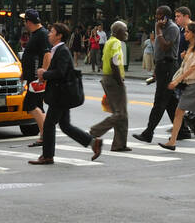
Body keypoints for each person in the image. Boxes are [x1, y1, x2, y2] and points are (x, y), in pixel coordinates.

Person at [31, 23, 96, 163]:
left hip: (60, 95)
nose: (49, 34)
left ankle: (47, 156)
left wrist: (45, 74)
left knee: (49, 124)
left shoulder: (63, 51)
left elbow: (60, 72)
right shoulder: (57, 50)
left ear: (59, 36)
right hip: (60, 94)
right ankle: (93, 143)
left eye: (52, 32)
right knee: (65, 126)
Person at [134, 6, 181, 144]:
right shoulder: (160, 26)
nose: (156, 17)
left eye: (159, 15)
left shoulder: (172, 28)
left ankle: (148, 132)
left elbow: (166, 46)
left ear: (166, 16)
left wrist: (159, 30)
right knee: (171, 102)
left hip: (168, 65)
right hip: (161, 65)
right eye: (156, 14)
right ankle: (183, 130)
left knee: (160, 101)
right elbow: (158, 49)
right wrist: (156, 68)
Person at [87, 20, 132, 156]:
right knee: (120, 113)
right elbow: (114, 62)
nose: (127, 33)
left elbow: (104, 60)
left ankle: (119, 144)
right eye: (125, 31)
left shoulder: (108, 42)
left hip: (107, 78)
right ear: (118, 32)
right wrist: (120, 81)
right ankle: (95, 131)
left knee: (122, 113)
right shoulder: (117, 43)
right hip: (113, 79)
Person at [19, 10, 51, 148]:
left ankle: (46, 135)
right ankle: (44, 135)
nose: (24, 23)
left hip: (36, 78)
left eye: (24, 21)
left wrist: (42, 74)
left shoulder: (42, 34)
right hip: (32, 77)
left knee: (30, 105)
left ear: (29, 21)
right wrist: (24, 73)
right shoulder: (36, 34)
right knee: (38, 106)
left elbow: (47, 55)